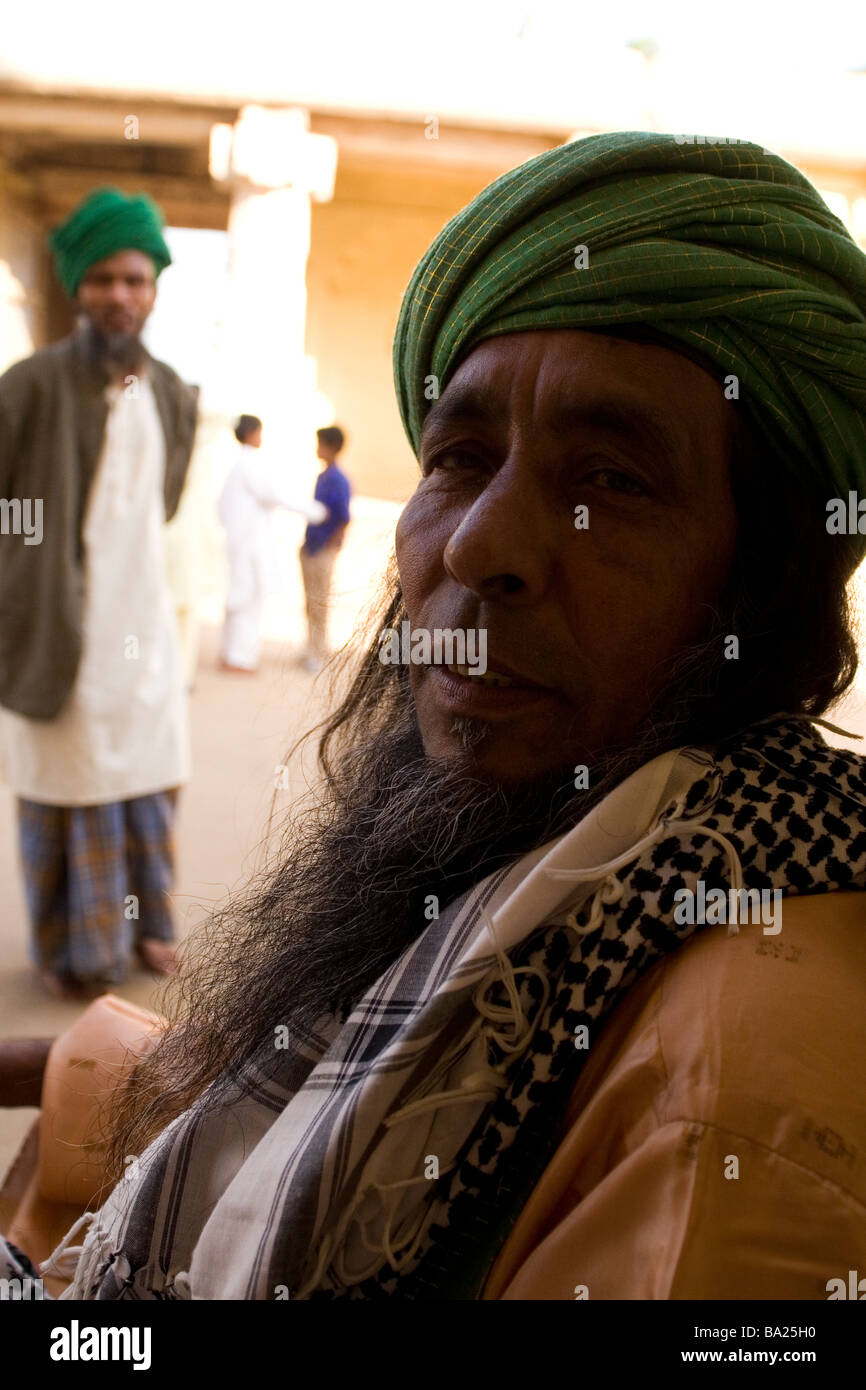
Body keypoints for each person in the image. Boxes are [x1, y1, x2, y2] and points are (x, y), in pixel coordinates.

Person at [3, 132, 866, 1300]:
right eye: (459, 455)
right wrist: (67, 1074)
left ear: (761, 583)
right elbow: (342, 1091)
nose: (477, 544)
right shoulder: (573, 847)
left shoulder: (727, 1097)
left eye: (609, 482)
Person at [0, 187, 198, 1000]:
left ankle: (149, 928)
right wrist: (21, 569)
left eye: (136, 280)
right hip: (54, 626)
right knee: (69, 777)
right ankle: (75, 949)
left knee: (146, 773)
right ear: (79, 287)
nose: (120, 295)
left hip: (141, 620)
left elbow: (165, 504)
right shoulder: (32, 384)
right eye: (104, 280)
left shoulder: (174, 391)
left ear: (154, 289)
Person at [218, 414, 327, 674]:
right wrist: (316, 511)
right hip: (249, 546)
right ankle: (239, 658)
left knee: (239, 596)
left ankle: (232, 653)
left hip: (241, 543)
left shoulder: (238, 466)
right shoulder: (249, 465)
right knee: (248, 597)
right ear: (251, 434)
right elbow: (276, 495)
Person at [298, 424, 351, 672]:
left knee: (320, 602)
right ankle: (311, 646)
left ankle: (318, 652)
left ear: (330, 447)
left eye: (321, 444)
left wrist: (330, 547)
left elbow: (343, 517)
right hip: (311, 547)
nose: (317, 448)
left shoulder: (339, 480)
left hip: (323, 550)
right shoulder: (322, 476)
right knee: (310, 601)